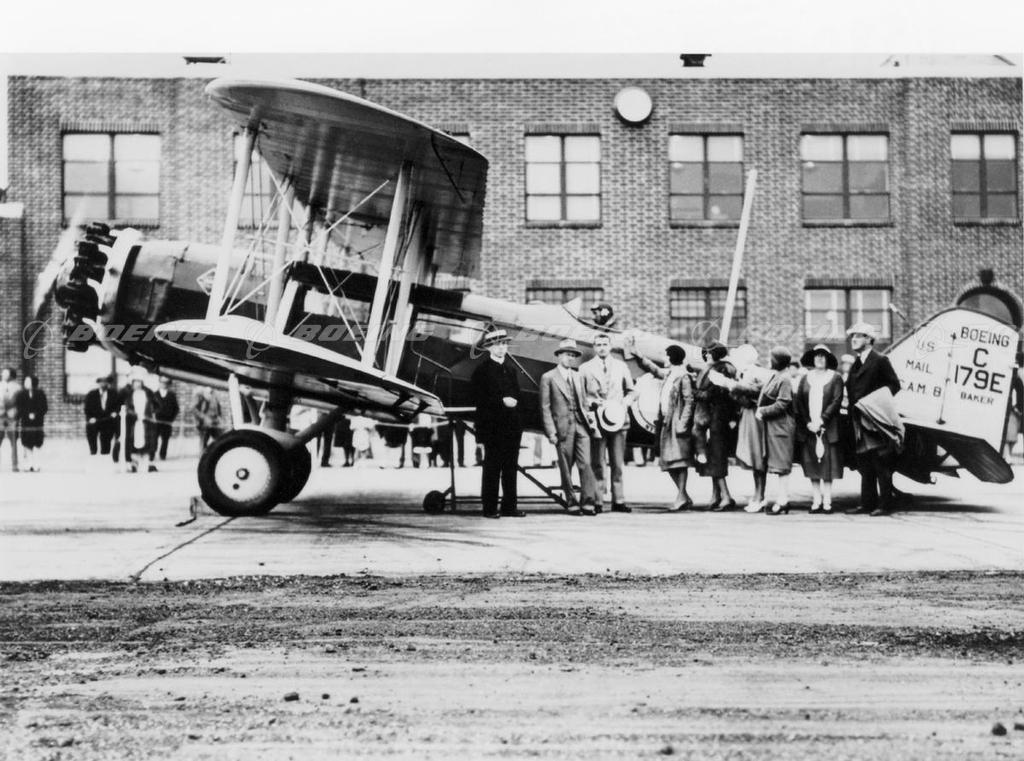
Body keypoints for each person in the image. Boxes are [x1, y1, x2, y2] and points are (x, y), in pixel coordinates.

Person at [844, 322, 902, 517]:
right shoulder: (857, 362)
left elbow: (894, 385)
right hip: (859, 422)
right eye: (852, 337)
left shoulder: (880, 360)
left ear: (869, 339)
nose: (854, 340)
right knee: (864, 464)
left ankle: (886, 505)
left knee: (881, 463)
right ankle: (867, 504)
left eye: (858, 336)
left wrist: (875, 404)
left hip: (875, 421)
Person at [540, 338, 601, 515]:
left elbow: (583, 403)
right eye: (566, 354)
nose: (569, 358)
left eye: (572, 355)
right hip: (562, 428)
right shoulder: (548, 377)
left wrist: (592, 423)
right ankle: (571, 501)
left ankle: (588, 502)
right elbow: (545, 407)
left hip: (581, 426)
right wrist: (551, 431)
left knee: (586, 464)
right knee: (565, 466)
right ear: (559, 356)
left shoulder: (578, 376)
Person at [470, 327, 524, 518]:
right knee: (492, 468)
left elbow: (518, 395)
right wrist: (501, 401)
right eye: (497, 344)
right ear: (489, 347)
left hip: (511, 427)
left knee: (510, 468)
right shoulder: (481, 371)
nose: (502, 348)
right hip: (492, 428)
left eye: (504, 344)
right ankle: (490, 508)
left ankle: (509, 506)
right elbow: (477, 398)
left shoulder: (511, 370)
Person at [579, 332, 635, 513]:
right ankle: (598, 500)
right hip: (597, 421)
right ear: (594, 347)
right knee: (597, 462)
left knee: (618, 463)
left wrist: (624, 404)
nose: (602, 347)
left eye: (605, 344)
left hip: (618, 421)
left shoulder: (621, 366)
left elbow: (632, 391)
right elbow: (580, 396)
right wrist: (592, 403)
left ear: (610, 346)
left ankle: (619, 500)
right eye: (598, 344)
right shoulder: (585, 368)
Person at [793, 344, 845, 514]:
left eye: (823, 356)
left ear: (828, 359)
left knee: (828, 464)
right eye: (817, 356)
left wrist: (822, 421)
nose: (820, 358)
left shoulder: (835, 378)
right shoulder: (805, 378)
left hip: (827, 429)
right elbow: (799, 401)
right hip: (810, 429)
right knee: (812, 464)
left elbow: (836, 401)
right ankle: (816, 500)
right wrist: (808, 422)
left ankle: (828, 500)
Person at [693, 341, 738, 511]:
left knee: (717, 458)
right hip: (717, 418)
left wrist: (694, 391)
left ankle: (726, 496)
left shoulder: (721, 370)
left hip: (717, 419)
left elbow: (714, 394)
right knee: (714, 456)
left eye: (710, 353)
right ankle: (716, 495)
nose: (707, 355)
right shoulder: (721, 368)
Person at [755, 347, 797, 515]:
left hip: (782, 426)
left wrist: (763, 411)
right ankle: (780, 499)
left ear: (778, 360)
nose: (769, 360)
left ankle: (783, 500)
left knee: (782, 465)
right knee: (776, 465)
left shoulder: (784, 378)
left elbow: (783, 403)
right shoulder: (776, 376)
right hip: (774, 426)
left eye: (772, 357)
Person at [655, 344, 695, 511]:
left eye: (666, 355)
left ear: (672, 357)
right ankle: (684, 495)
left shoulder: (683, 376)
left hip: (676, 422)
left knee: (679, 461)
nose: (664, 358)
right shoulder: (670, 374)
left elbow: (689, 401)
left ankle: (680, 497)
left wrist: (682, 423)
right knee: (667, 460)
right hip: (666, 421)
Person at [118, 367, 158, 473]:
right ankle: (133, 463)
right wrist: (133, 415)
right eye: (135, 382)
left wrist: (151, 414)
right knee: (132, 442)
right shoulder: (128, 394)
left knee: (147, 442)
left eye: (140, 382)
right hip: (133, 423)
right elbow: (125, 407)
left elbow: (157, 405)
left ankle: (147, 463)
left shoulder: (148, 393)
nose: (138, 384)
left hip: (146, 422)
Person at [15, 374, 47, 472]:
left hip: (37, 423)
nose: (26, 383)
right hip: (26, 422)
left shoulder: (40, 393)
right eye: (25, 381)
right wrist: (27, 414)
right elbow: (19, 407)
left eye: (28, 381)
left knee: (38, 443)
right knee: (27, 443)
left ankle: (36, 464)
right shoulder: (21, 394)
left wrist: (35, 414)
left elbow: (44, 407)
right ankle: (29, 464)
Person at [83, 374, 118, 459]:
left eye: (105, 382)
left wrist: (114, 413)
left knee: (106, 437)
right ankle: (93, 453)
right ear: (98, 383)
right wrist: (90, 418)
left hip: (107, 420)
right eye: (101, 382)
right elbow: (87, 409)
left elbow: (117, 406)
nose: (103, 384)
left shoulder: (113, 394)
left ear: (108, 383)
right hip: (95, 420)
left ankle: (105, 455)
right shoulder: (91, 394)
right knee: (91, 429)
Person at [837, 353, 858, 471]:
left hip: (849, 410)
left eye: (848, 364)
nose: (846, 366)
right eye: (844, 364)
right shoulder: (839, 377)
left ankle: (851, 460)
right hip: (840, 410)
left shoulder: (854, 377)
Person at [152, 376, 179, 461]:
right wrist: (153, 416)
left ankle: (162, 455)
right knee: (154, 439)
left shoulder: (171, 395)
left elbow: (176, 408)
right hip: (156, 421)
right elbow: (151, 406)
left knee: (165, 439)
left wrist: (172, 418)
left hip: (167, 421)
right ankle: (152, 454)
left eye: (166, 383)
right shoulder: (155, 394)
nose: (164, 385)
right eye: (162, 383)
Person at [192, 387, 224, 451]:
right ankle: (203, 459)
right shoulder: (200, 393)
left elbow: (218, 407)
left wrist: (220, 418)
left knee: (221, 441)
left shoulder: (215, 393)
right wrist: (204, 417)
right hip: (204, 424)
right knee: (203, 444)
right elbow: (194, 409)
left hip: (215, 422)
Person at [1, 367, 20, 472]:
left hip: (12, 416)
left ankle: (14, 465)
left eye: (5, 373)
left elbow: (18, 401)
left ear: (11, 375)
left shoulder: (17, 387)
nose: (3, 375)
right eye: (2, 373)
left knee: (13, 441)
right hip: (0, 415)